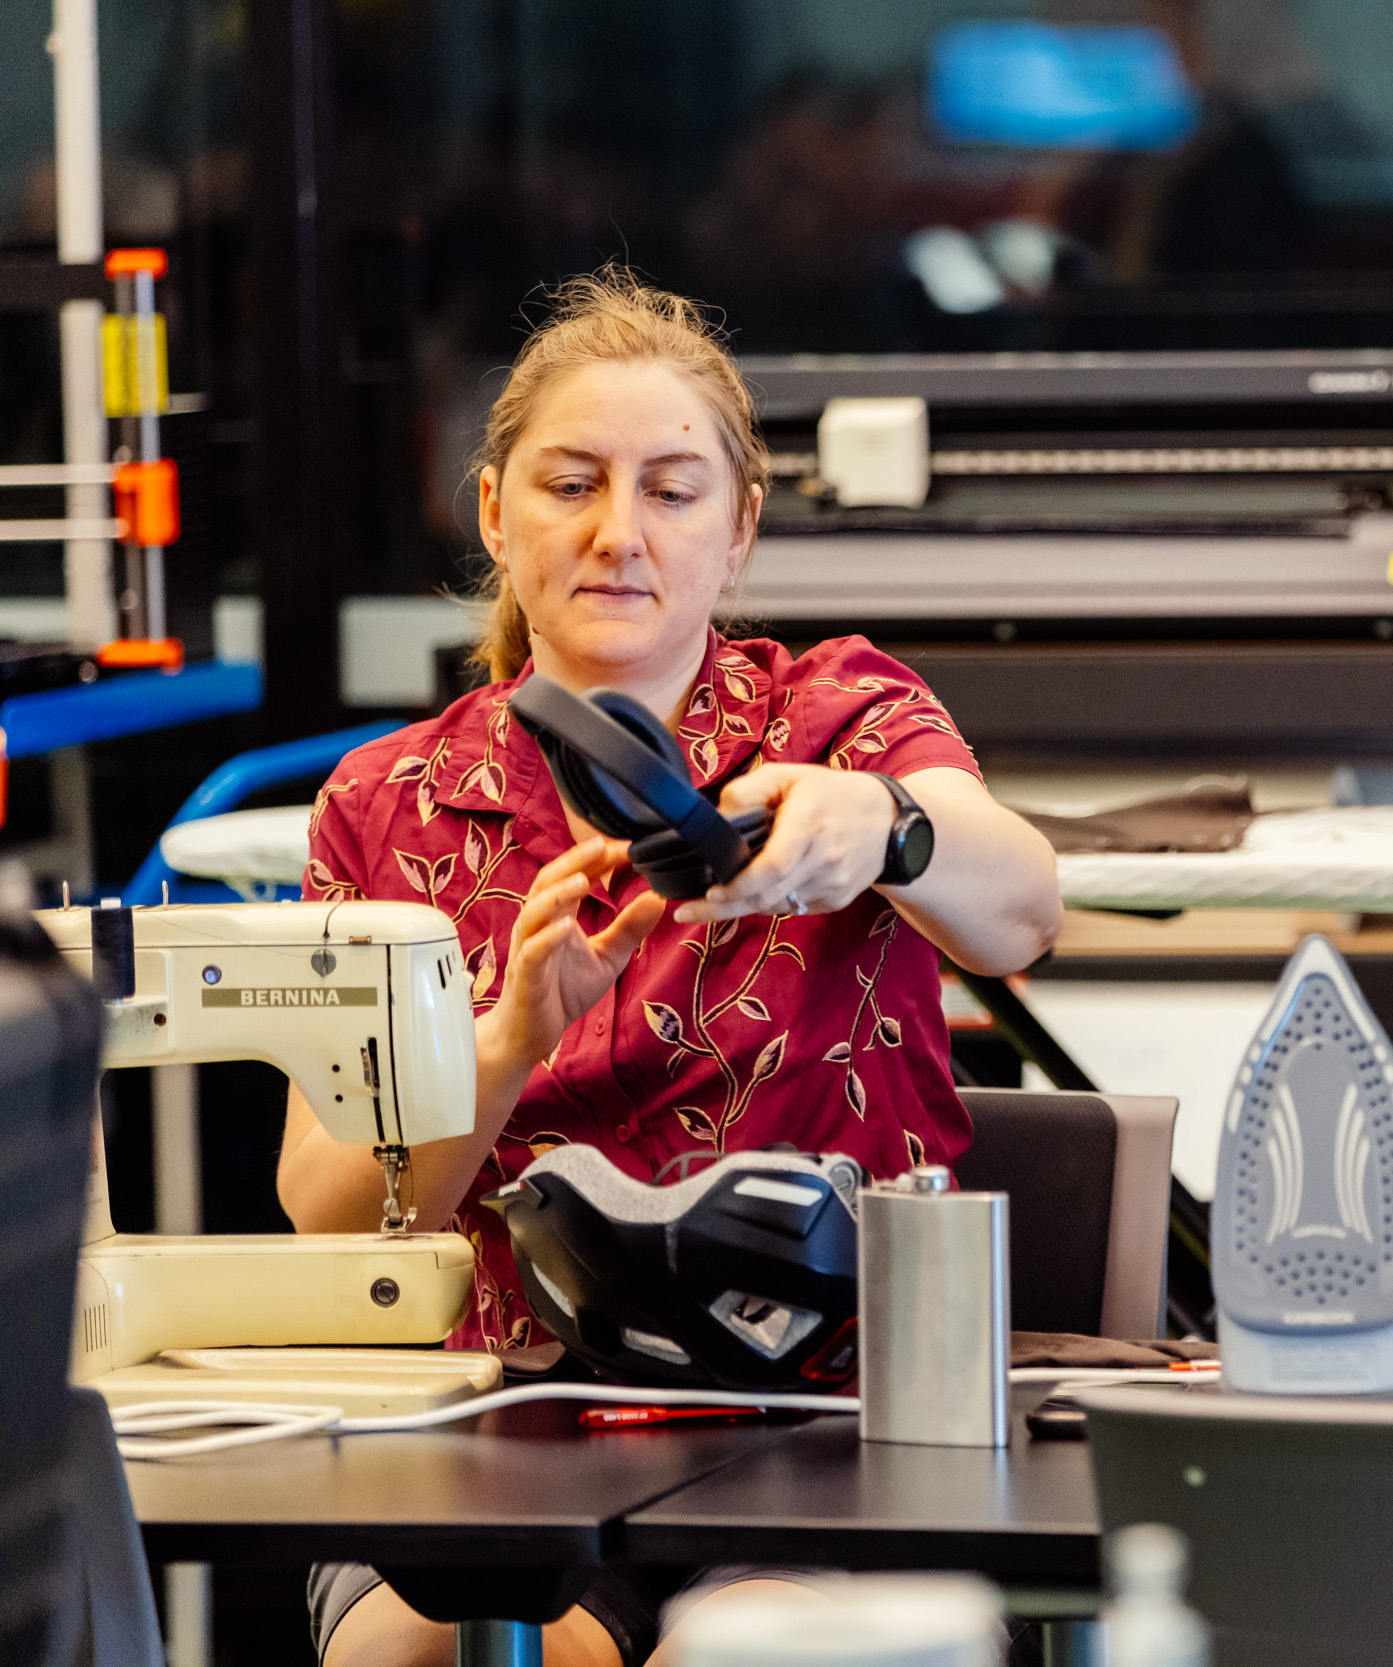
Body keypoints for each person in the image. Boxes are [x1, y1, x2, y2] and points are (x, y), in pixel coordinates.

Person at [277, 267, 1061, 1667]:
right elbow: (336, 1213)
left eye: (672, 488)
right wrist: (504, 1040)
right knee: (419, 1651)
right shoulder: (382, 800)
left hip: (826, 1421)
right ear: (492, 514)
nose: (616, 532)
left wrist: (886, 826)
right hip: (496, 1429)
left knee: (747, 1648)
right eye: (570, 482)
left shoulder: (842, 715)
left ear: (740, 526)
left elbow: (1023, 909)